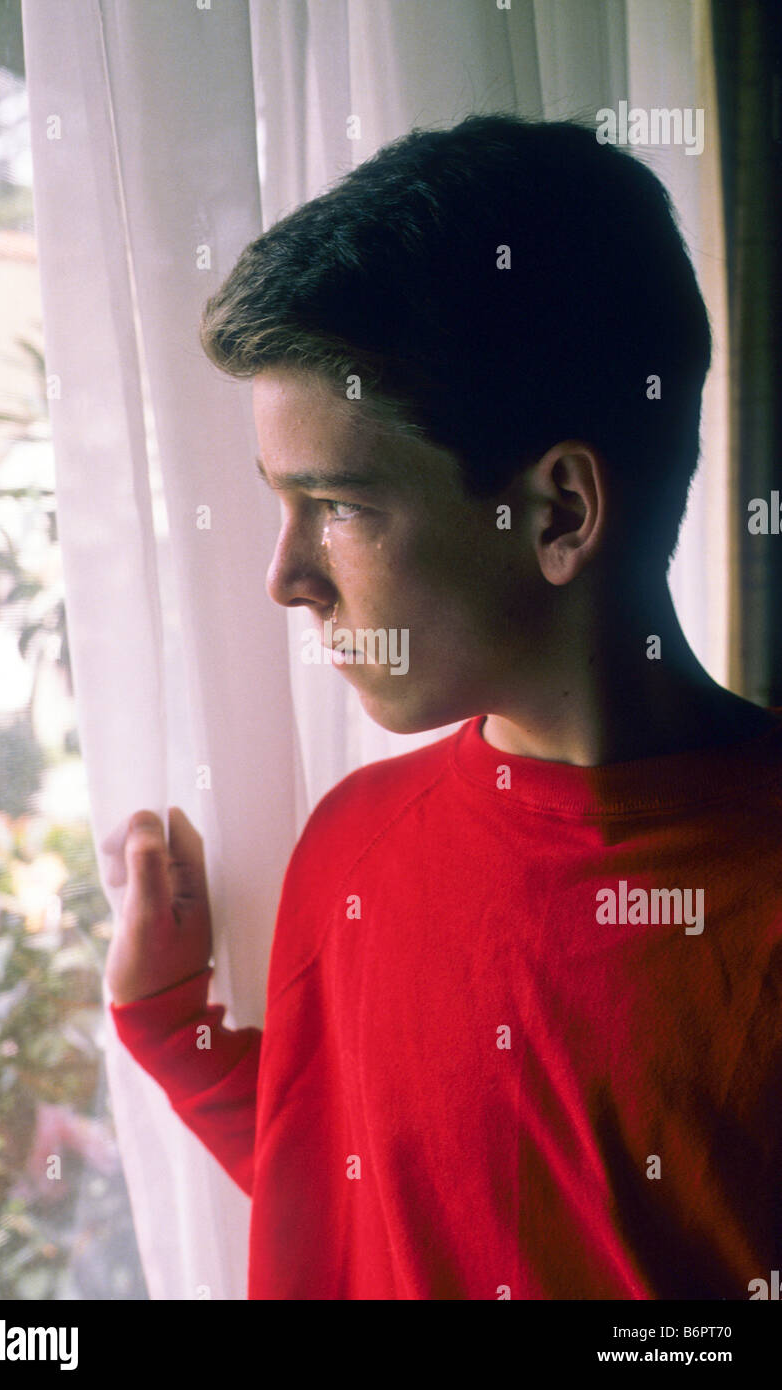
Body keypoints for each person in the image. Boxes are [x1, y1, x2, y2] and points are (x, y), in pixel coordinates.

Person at [103, 113, 782, 1300]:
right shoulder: (352, 849)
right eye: (281, 501)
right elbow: (383, 1202)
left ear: (560, 513)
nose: (287, 578)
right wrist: (169, 1024)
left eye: (340, 506)